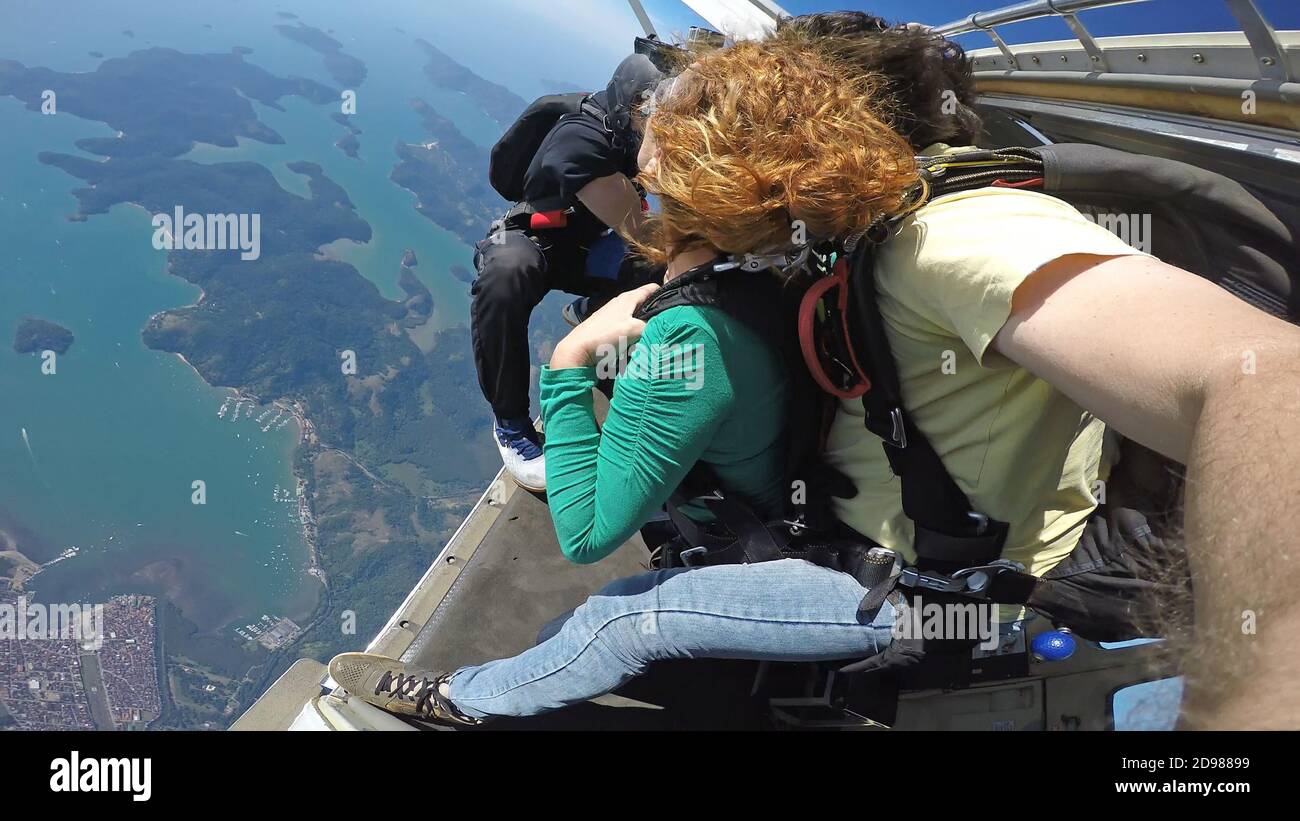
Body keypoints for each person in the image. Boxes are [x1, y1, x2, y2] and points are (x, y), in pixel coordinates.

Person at [328, 32, 921, 724]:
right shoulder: (782, 264)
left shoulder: (689, 336)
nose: (648, 134)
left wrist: (568, 360)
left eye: (664, 123)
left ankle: (457, 700)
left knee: (609, 623)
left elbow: (586, 534)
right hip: (810, 498)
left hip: (788, 545)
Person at [777, 12, 1300, 728]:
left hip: (946, 586)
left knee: (630, 628)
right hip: (880, 545)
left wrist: (1241, 717)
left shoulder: (958, 232)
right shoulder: (889, 225)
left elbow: (1266, 376)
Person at [472, 53, 662, 491]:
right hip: (536, 235)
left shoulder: (629, 132)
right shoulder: (583, 139)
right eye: (652, 112)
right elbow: (636, 226)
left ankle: (592, 312)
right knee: (506, 275)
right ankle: (511, 425)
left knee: (660, 273)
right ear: (631, 106)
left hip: (592, 240)